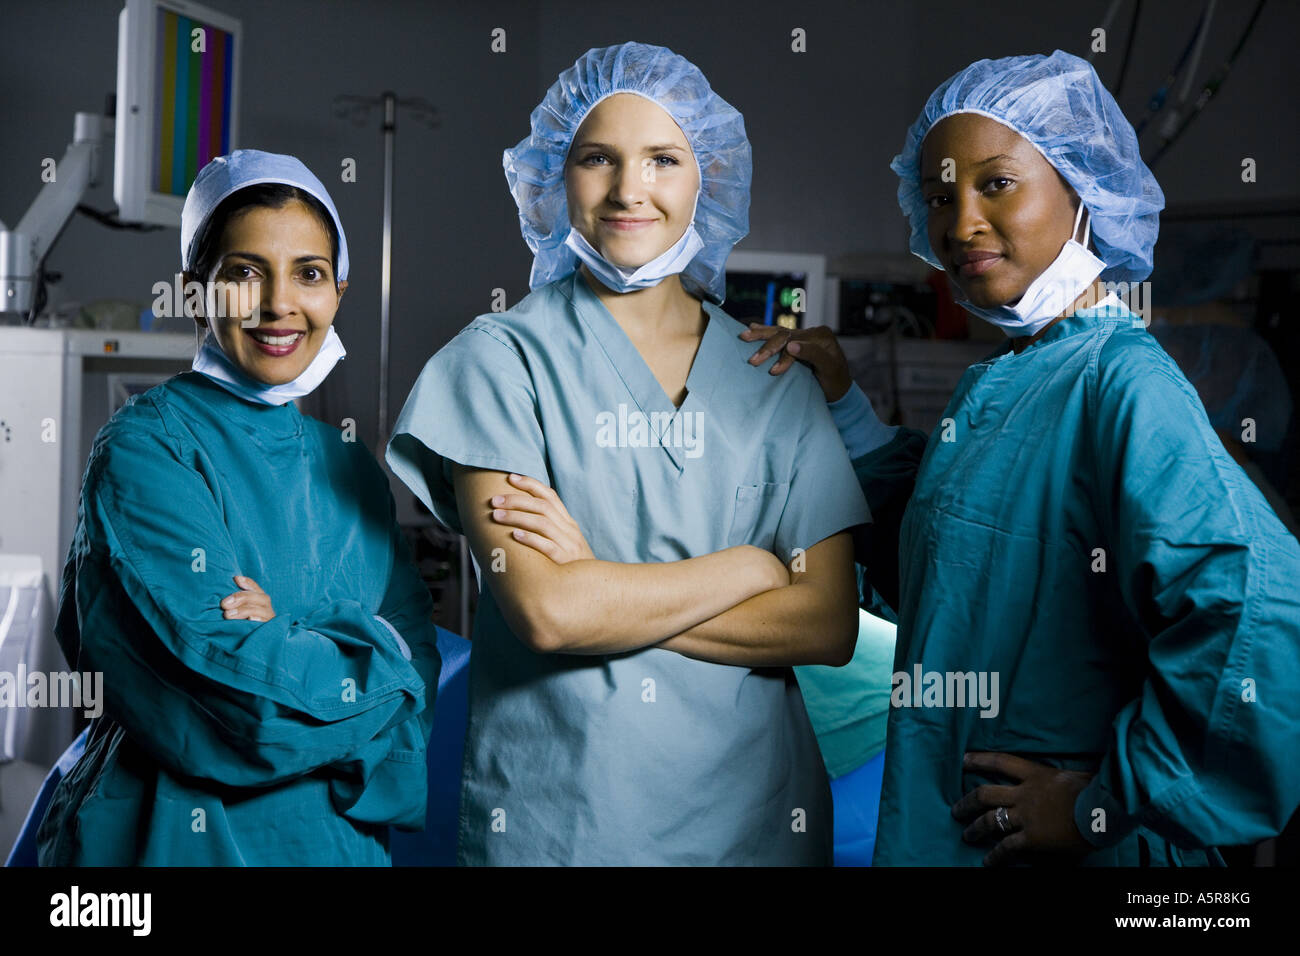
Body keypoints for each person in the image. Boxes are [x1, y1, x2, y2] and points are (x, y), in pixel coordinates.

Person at [740, 50, 1300, 866]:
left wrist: (1101, 806)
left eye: (996, 183)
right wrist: (843, 407)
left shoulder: (1120, 384)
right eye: (937, 196)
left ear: (1082, 189)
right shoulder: (1017, 379)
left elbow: (1260, 617)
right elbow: (953, 564)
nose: (960, 223)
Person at [386, 42, 868, 865]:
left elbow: (825, 623)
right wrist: (750, 568)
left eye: (663, 159)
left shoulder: (774, 379)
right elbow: (547, 612)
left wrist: (601, 587)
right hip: (564, 823)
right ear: (555, 177)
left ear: (706, 179)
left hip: (757, 824)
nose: (628, 189)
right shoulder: (499, 362)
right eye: (597, 158)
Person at [37, 150, 442, 866]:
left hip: (337, 849)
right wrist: (373, 651)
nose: (279, 303)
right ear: (196, 293)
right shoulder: (146, 450)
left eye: (309, 274)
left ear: (339, 291)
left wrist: (288, 631)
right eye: (244, 273)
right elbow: (233, 711)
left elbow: (419, 704)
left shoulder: (351, 468)